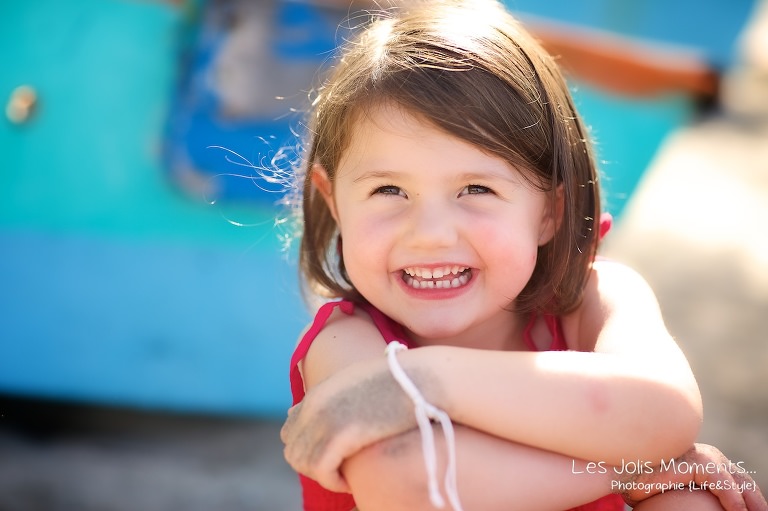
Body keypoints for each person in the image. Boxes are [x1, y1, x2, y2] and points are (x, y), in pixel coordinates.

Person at [279, 0, 768, 509]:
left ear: (549, 211)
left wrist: (424, 382)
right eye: (388, 191)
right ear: (333, 202)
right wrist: (642, 467)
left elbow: (666, 414)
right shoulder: (347, 343)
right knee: (685, 483)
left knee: (692, 502)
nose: (430, 234)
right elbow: (417, 484)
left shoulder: (594, 299)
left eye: (475, 189)